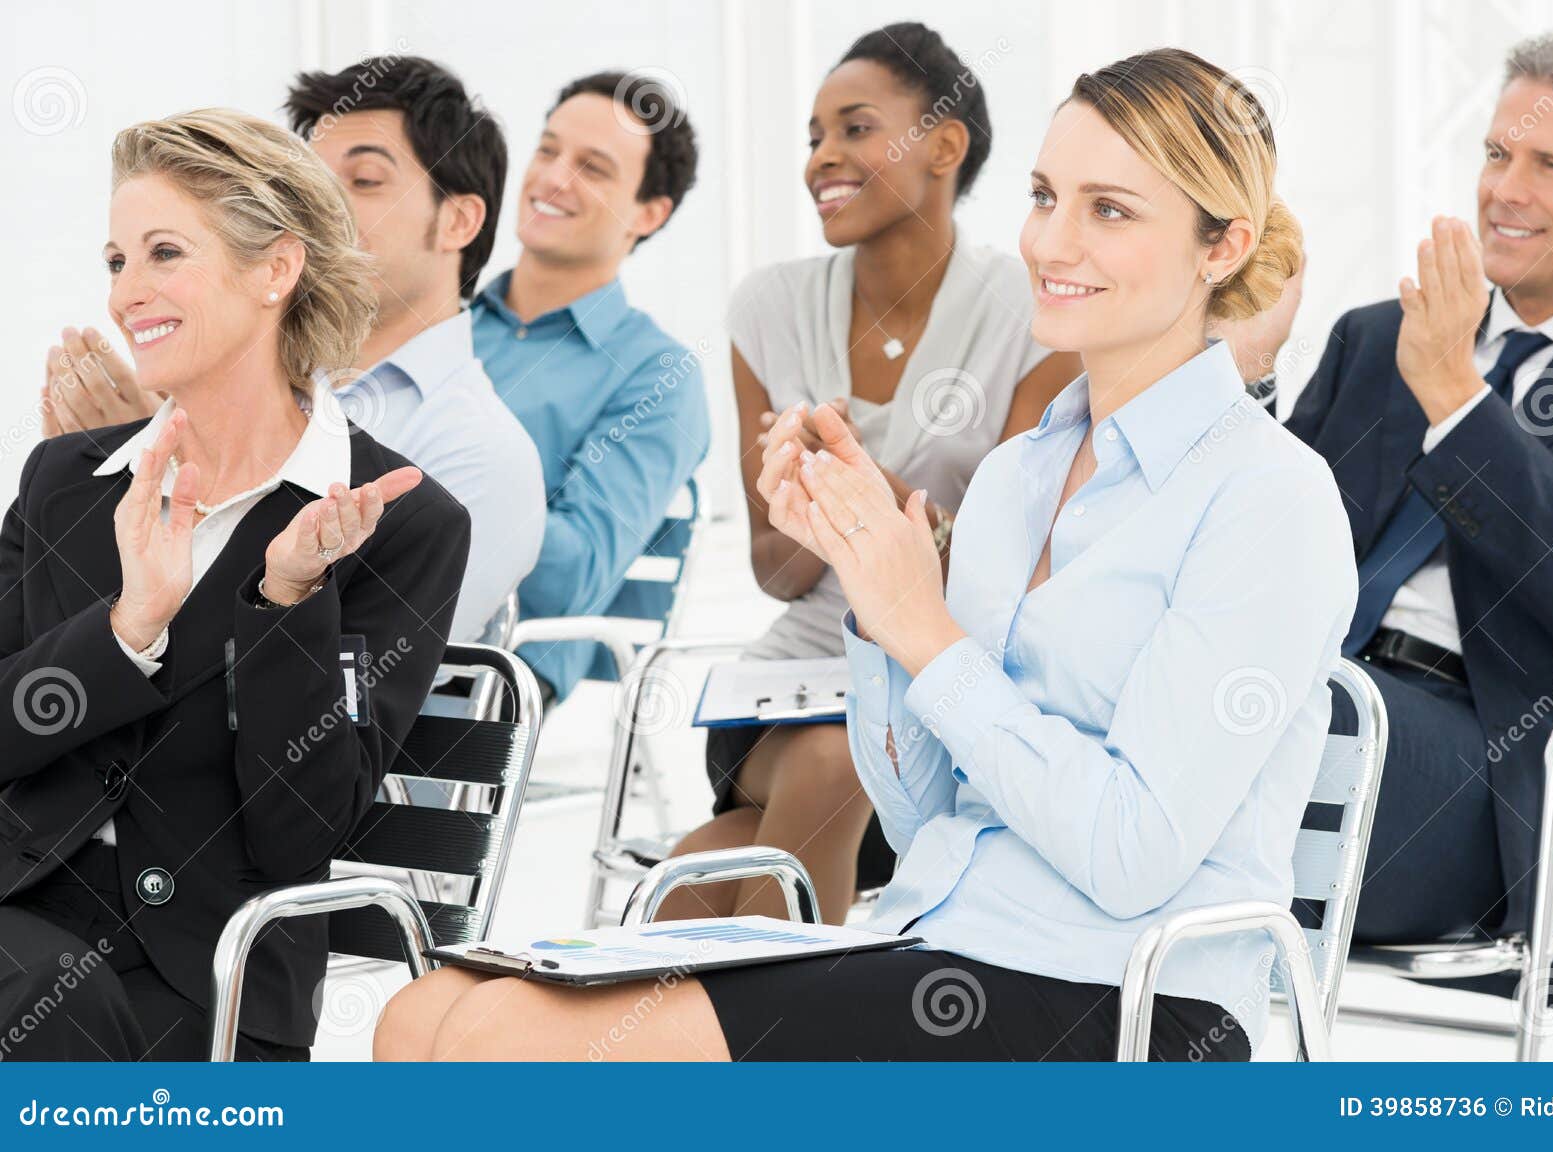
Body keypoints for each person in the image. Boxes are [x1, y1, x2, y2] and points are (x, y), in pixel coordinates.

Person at [372, 47, 1354, 1062]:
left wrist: (925, 632)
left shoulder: (1266, 498)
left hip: (1126, 1003)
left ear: (1221, 247)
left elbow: (1128, 852)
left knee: (506, 1045)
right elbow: (921, 806)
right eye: (1044, 195)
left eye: (1109, 209)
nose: (1050, 240)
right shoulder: (1020, 474)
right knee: (428, 1012)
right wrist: (872, 583)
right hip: (935, 941)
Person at [0, 109, 470, 1061]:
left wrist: (285, 602)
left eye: (164, 253)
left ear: (274, 270)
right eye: (117, 261)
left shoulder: (400, 525)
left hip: (205, 977)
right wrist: (126, 630)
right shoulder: (66, 483)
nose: (130, 293)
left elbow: (303, 831)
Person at [660, 22, 1077, 926]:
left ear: (944, 144)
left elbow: (1005, 568)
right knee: (819, 762)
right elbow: (776, 573)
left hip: (944, 689)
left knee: (723, 855)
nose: (822, 158)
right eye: (813, 136)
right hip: (791, 683)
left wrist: (864, 486)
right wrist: (808, 499)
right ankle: (770, 1045)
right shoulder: (769, 307)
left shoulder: (1031, 312)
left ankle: (653, 1047)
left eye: (854, 128)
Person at [1220, 29, 1553, 1008]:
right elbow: (1247, 552)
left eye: (1549, 165)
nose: (1504, 189)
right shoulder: (1377, 338)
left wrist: (1461, 408)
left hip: (1487, 764)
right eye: (1495, 153)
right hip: (1305, 690)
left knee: (1278, 734)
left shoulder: (1431, 357)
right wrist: (1248, 378)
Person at [42, 57, 542, 646]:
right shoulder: (222, 386)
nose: (321, 204)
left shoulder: (481, 454)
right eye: (309, 179)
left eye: (364, 181)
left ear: (458, 220)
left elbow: (368, 674)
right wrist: (135, 462)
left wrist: (143, 465)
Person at [471, 71, 709, 704]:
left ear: (648, 213)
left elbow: (570, 579)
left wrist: (434, 464)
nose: (552, 178)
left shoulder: (659, 377)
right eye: (548, 150)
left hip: (487, 669)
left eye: (593, 168)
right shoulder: (443, 324)